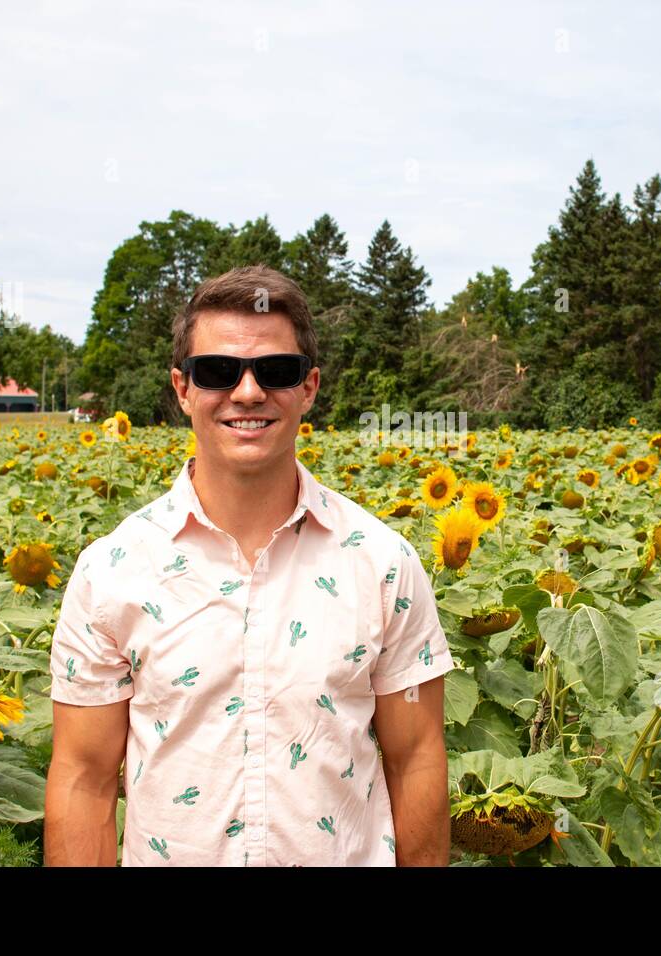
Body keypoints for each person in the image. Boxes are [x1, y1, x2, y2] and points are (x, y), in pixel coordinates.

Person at [44, 265, 453, 866]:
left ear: (309, 387)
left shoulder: (382, 562)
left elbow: (416, 756)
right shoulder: (112, 572)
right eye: (218, 372)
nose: (248, 392)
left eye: (275, 371)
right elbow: (84, 779)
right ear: (182, 388)